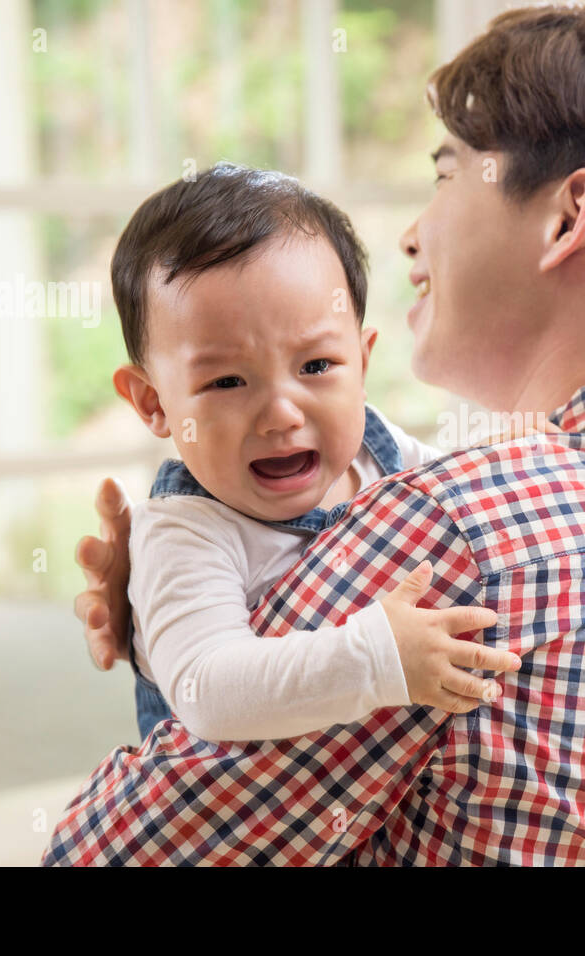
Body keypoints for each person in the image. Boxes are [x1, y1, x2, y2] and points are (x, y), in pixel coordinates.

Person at [47, 0, 585, 866]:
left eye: (446, 175)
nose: (410, 234)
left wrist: (162, 654)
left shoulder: (454, 532)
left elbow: (102, 855)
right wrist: (180, 606)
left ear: (565, 218)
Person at [104, 163, 525, 744]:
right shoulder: (186, 533)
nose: (282, 414)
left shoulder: (384, 453)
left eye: (317, 367)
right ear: (153, 402)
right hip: (238, 822)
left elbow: (469, 500)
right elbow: (211, 694)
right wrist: (374, 657)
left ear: (363, 362)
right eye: (227, 382)